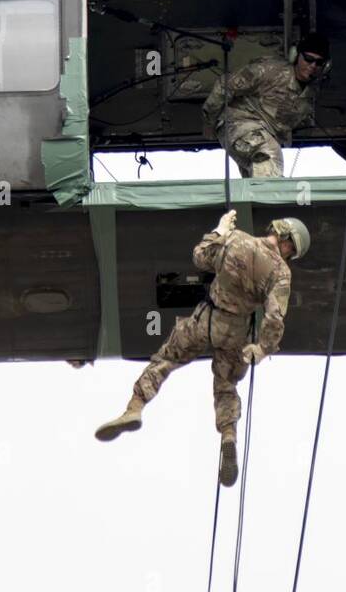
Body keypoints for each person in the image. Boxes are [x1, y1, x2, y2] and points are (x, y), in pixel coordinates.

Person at [94, 214, 310, 486]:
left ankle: (134, 408)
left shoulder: (237, 239)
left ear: (279, 230)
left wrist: (219, 231)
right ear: (290, 247)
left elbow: (200, 257)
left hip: (207, 318)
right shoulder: (281, 273)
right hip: (235, 331)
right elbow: (275, 317)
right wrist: (263, 348)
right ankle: (228, 435)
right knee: (226, 386)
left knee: (166, 359)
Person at [201, 32, 330, 176]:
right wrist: (209, 123)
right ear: (296, 56)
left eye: (319, 63)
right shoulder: (269, 70)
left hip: (262, 135)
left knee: (256, 176)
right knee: (269, 155)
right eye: (308, 59)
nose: (312, 66)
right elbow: (224, 85)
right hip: (240, 125)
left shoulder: (311, 91)